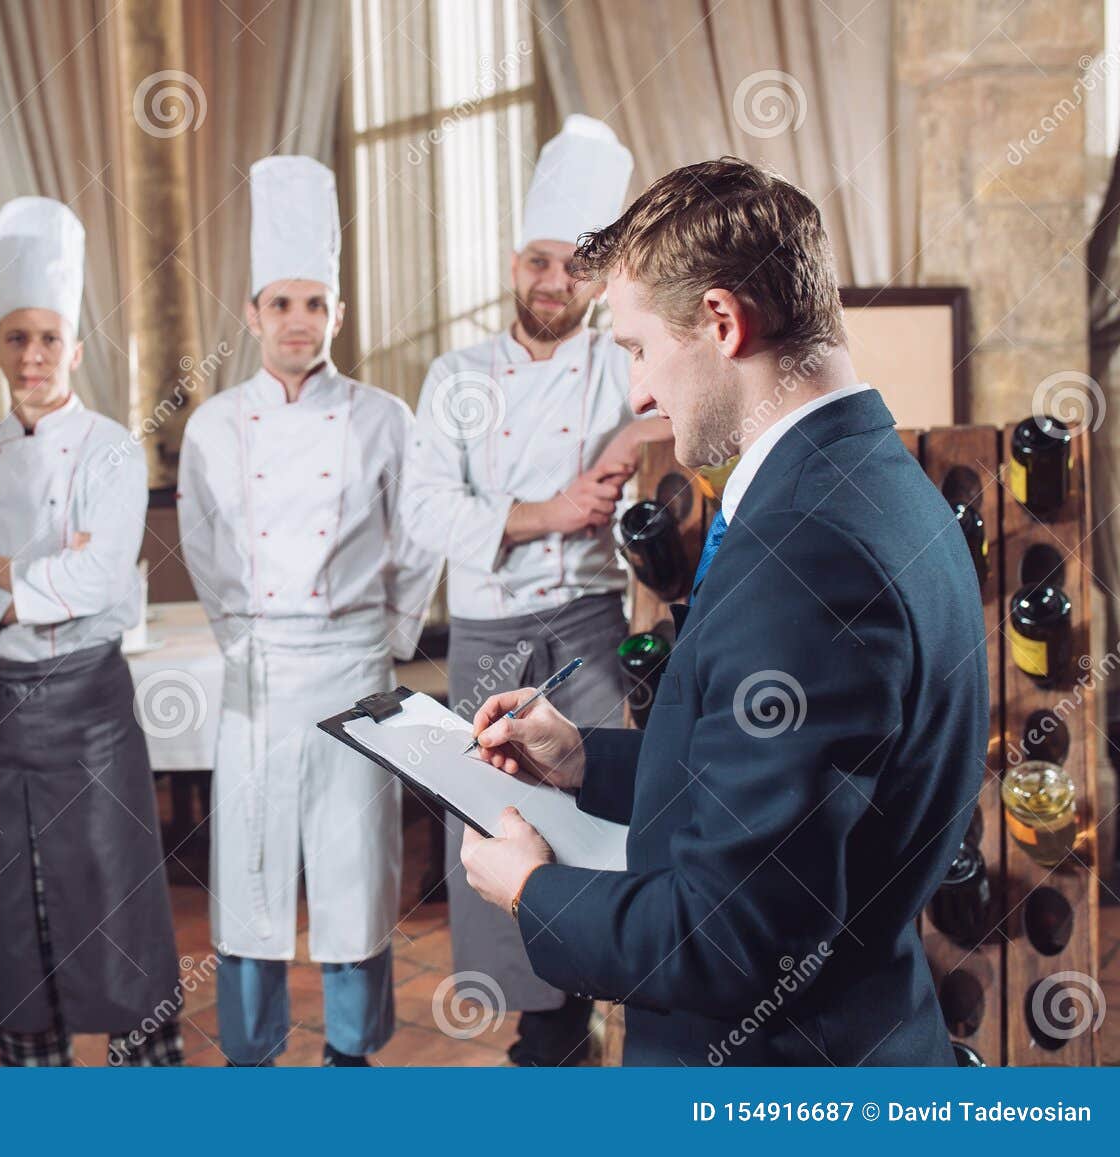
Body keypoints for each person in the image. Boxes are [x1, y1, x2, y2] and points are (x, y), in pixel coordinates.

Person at [459, 158, 990, 1065]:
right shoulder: (874, 479)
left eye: (634, 348)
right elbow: (782, 784)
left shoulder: (810, 559)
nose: (637, 395)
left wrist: (531, 892)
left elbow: (727, 938)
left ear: (721, 321)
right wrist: (585, 757)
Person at [402, 114, 670, 1066]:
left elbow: (682, 411)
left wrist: (624, 443)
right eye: (536, 262)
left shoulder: (620, 365)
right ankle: (536, 1022)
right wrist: (553, 510)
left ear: (598, 278)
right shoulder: (456, 375)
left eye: (573, 267)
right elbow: (428, 509)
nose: (553, 283)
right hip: (489, 632)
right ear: (513, 262)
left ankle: (585, 1005)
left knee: (593, 815)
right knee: (497, 816)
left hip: (593, 628)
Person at [176, 155, 440, 1066]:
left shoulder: (383, 416)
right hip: (258, 666)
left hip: (355, 658)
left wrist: (388, 634)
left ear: (338, 314)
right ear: (251, 314)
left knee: (353, 865)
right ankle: (252, 1055)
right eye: (281, 304)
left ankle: (351, 1055)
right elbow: (203, 547)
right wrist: (240, 636)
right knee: (249, 866)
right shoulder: (214, 426)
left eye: (315, 304)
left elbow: (420, 533)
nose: (299, 322)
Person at [0, 197, 182, 1067]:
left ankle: (145, 1072)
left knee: (116, 888)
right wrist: (44, 570)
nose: (33, 356)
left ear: (76, 348)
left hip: (89, 701)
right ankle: (41, 1074)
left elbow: (103, 580)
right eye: (16, 337)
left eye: (49, 339)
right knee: (17, 897)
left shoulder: (112, 450)